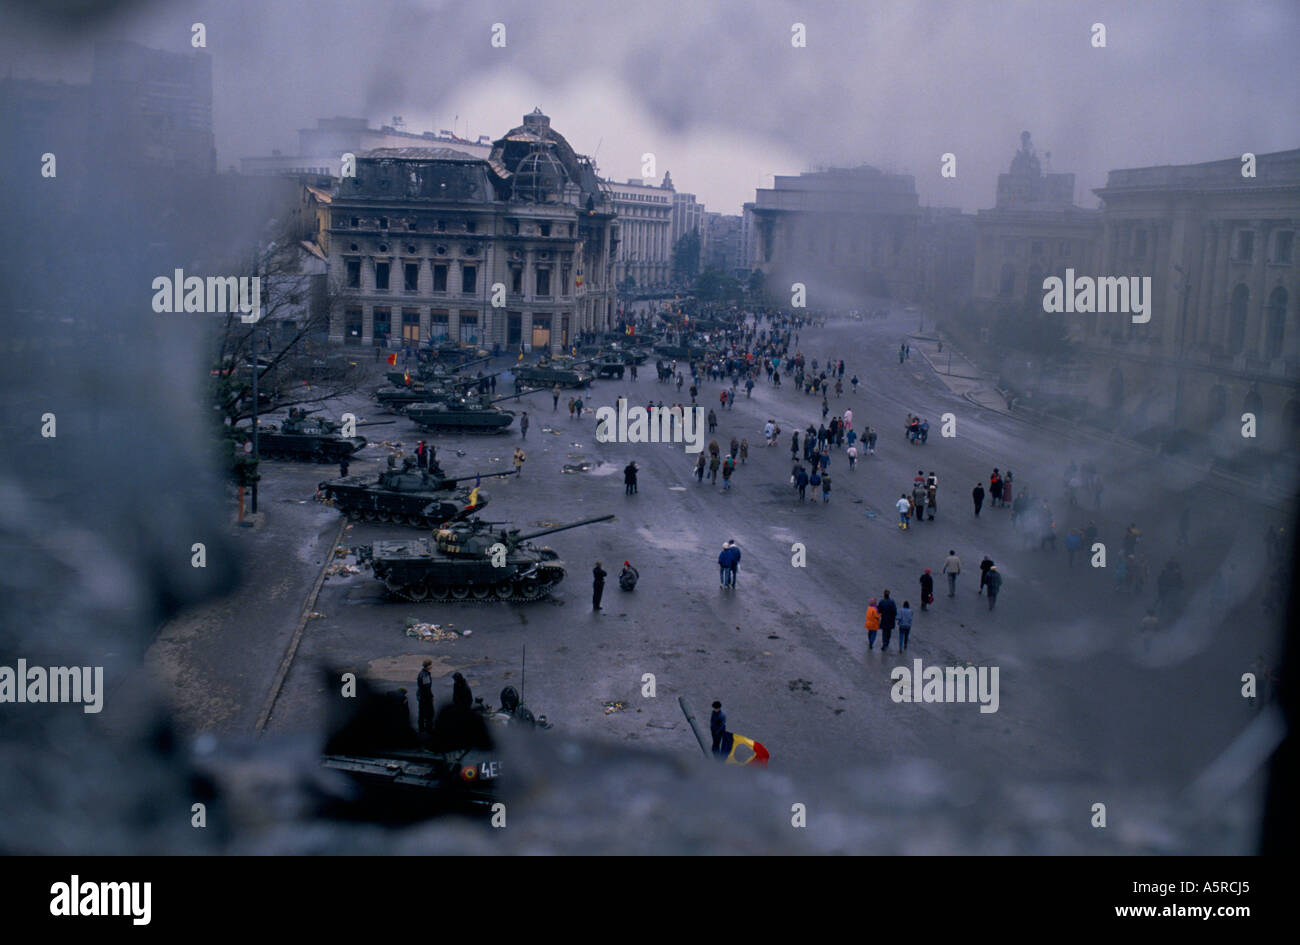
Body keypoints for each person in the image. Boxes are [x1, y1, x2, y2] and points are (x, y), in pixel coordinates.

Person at [417, 659, 435, 735]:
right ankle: (429, 729)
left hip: (421, 696)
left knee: (421, 713)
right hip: (425, 698)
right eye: (430, 664)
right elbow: (427, 688)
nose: (431, 666)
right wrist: (431, 696)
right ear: (427, 666)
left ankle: (421, 728)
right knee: (429, 713)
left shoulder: (421, 673)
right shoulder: (425, 675)